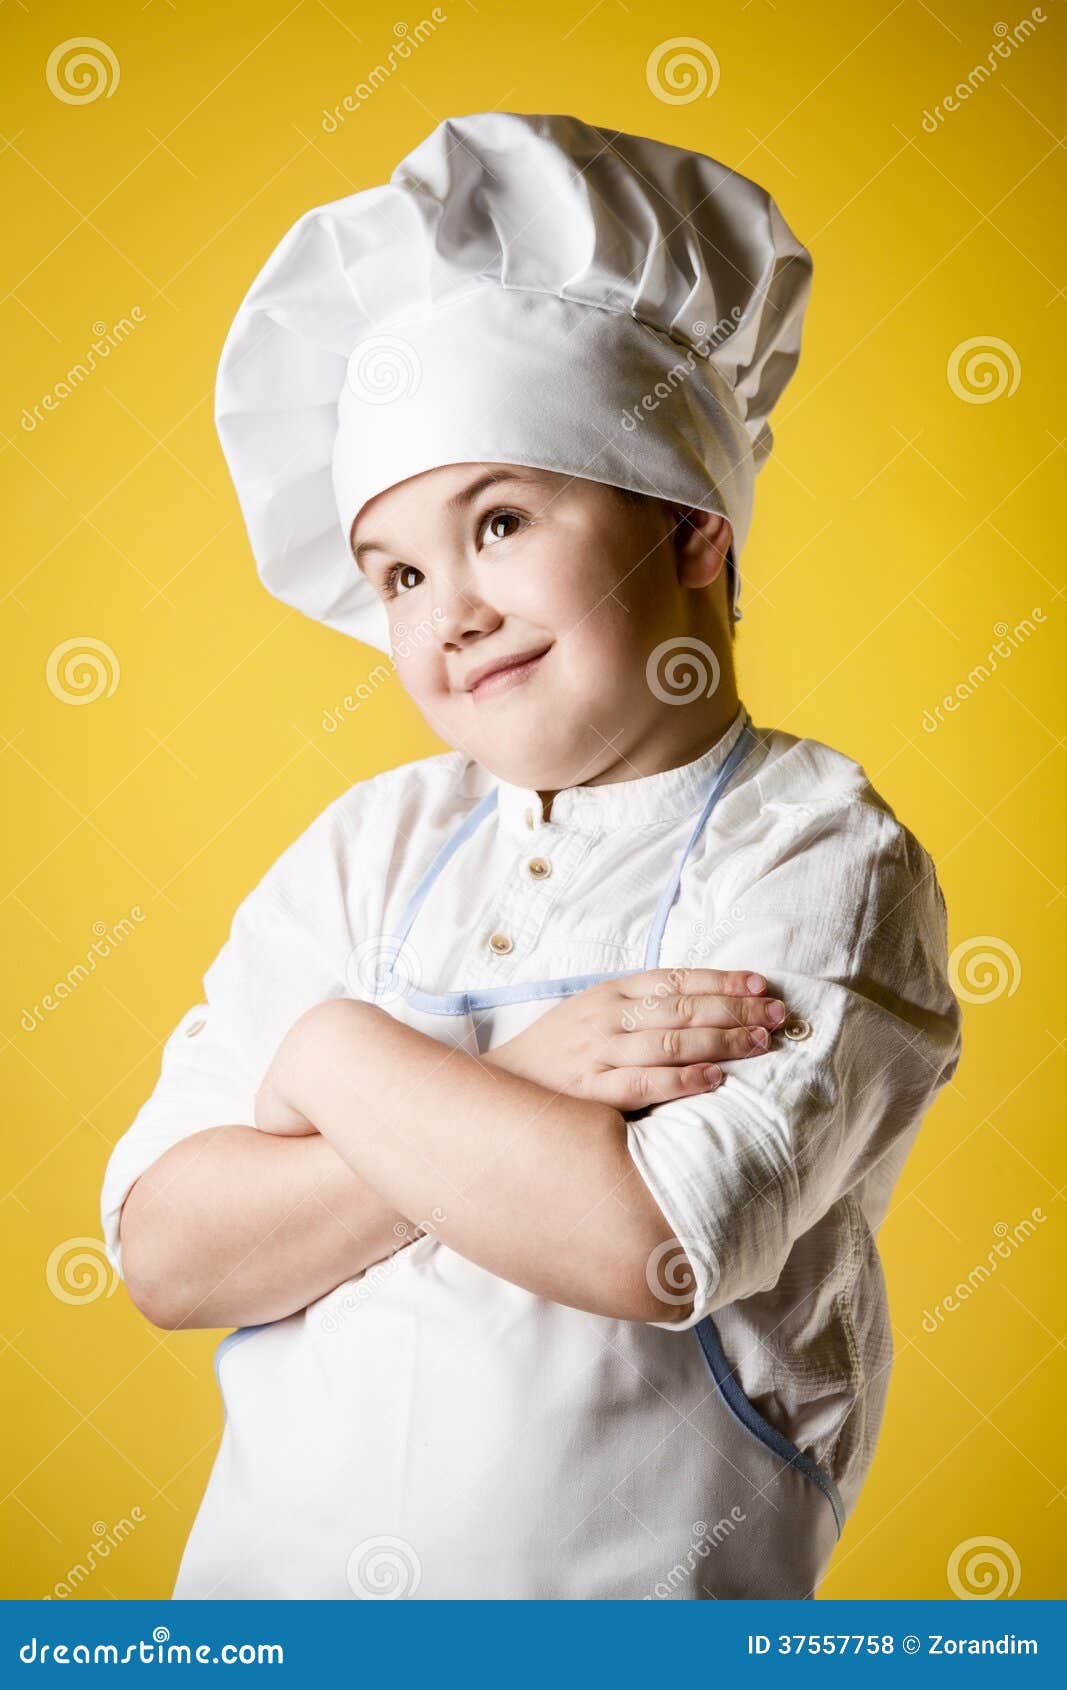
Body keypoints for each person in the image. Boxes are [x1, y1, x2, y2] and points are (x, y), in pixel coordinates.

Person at [100, 112, 962, 1600]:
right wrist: (522, 1080)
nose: (450, 610)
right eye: (401, 574)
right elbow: (172, 1253)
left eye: (500, 520)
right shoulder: (368, 846)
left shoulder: (821, 848)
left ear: (693, 526)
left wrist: (334, 1063)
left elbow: (648, 1244)